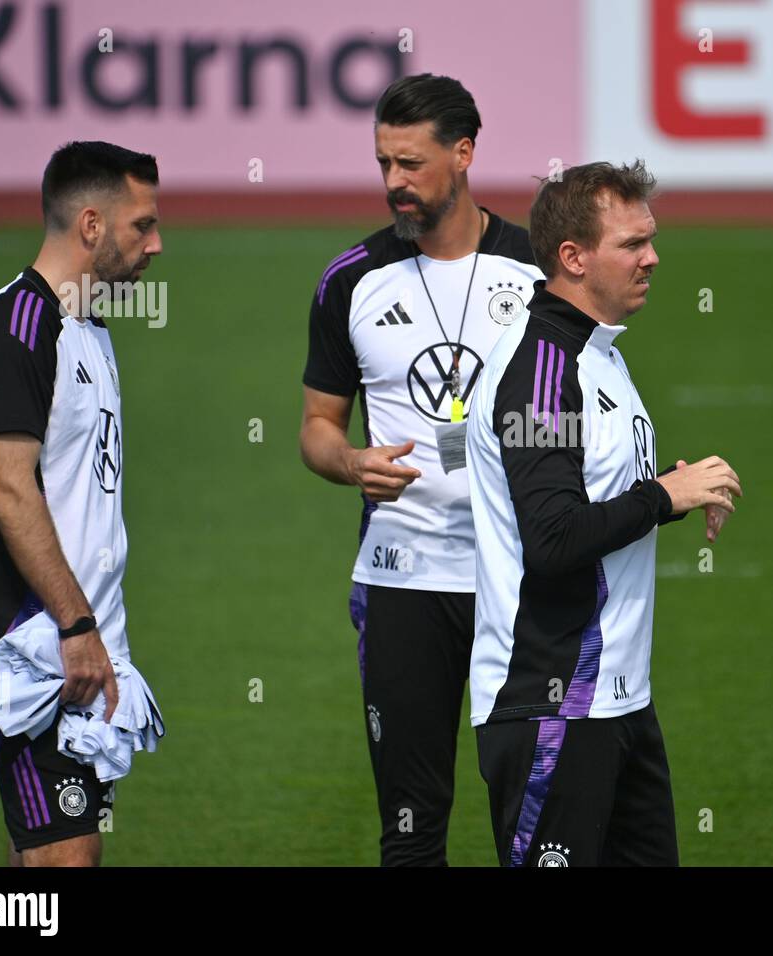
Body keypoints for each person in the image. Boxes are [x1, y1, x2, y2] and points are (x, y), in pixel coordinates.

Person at [466, 159, 742, 867]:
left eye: (651, 239)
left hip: (617, 704)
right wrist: (661, 498)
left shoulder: (596, 358)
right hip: (552, 706)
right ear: (573, 258)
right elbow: (554, 539)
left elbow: (589, 497)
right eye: (632, 244)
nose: (653, 257)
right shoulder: (543, 374)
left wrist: (670, 492)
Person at [299, 74, 543, 865]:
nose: (394, 183)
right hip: (403, 580)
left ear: (464, 153)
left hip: (524, 584)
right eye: (383, 164)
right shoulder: (351, 281)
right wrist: (348, 462)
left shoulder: (544, 272)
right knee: (410, 830)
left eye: (411, 163)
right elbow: (316, 427)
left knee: (540, 827)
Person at [0, 140, 162, 866]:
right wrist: (74, 623)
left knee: (44, 867)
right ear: (93, 225)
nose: (156, 245)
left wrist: (92, 631)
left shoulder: (88, 331)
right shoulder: (19, 329)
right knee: (64, 863)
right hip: (30, 648)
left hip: (77, 648)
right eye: (143, 226)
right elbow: (8, 484)